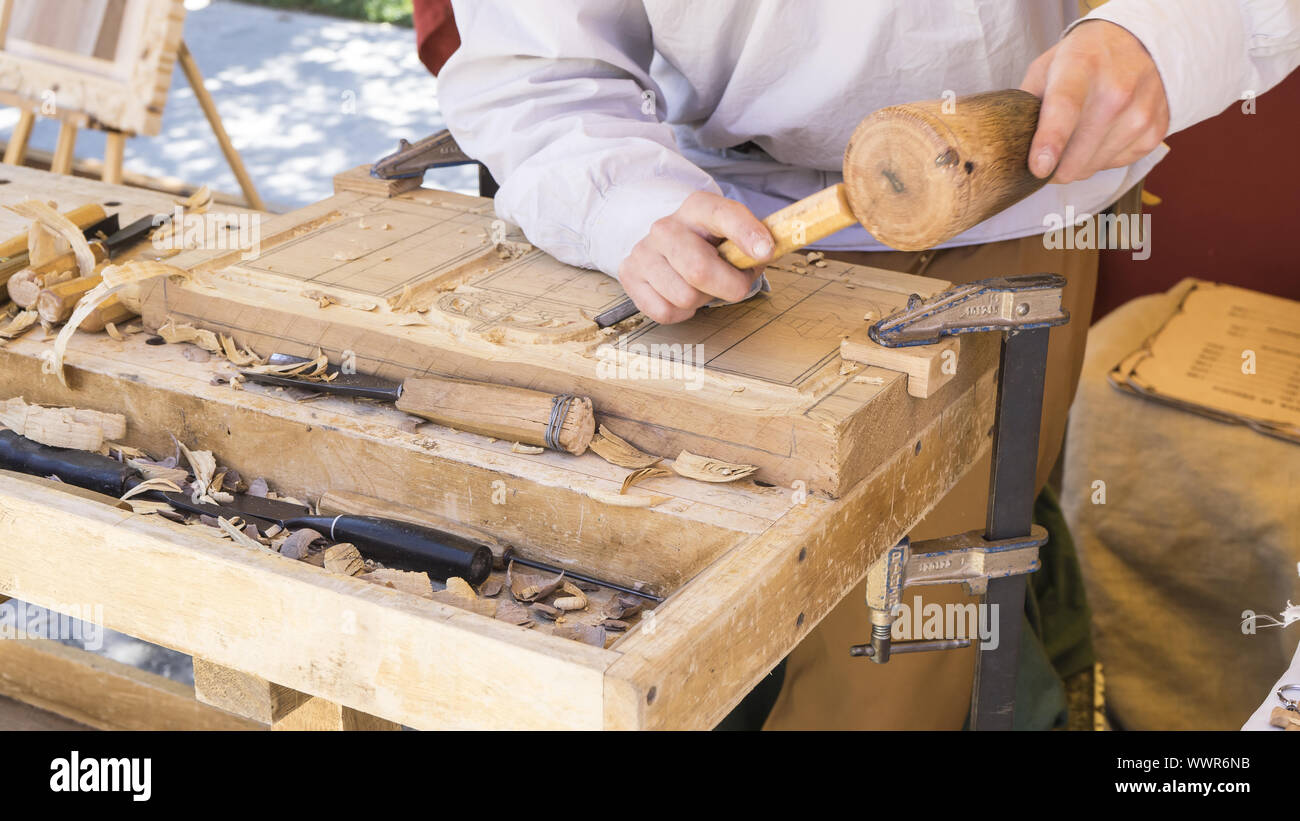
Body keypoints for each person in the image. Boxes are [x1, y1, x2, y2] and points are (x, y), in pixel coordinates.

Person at [437, 1, 1300, 729]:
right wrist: (618, 200)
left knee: (900, 657)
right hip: (703, 234)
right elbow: (534, 66)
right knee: (666, 627)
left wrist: (1166, 34)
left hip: (1012, 213)